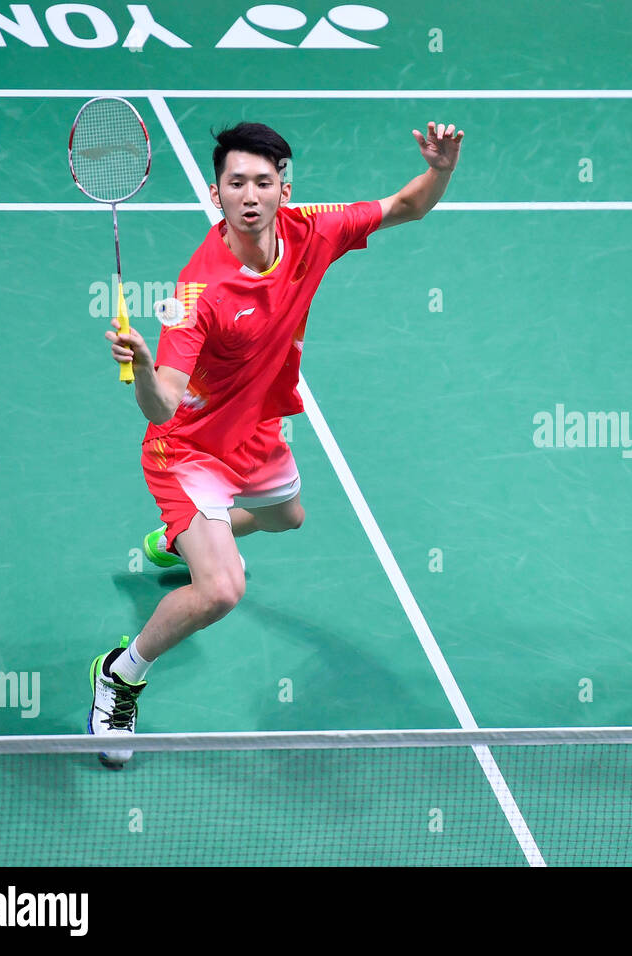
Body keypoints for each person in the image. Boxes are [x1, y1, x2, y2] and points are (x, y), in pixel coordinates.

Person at [90, 120, 464, 769]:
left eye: (264, 181)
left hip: (256, 431)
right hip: (188, 450)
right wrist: (145, 368)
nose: (252, 195)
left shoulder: (312, 230)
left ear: (283, 191)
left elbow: (408, 206)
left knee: (286, 517)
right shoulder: (195, 293)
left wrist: (441, 169)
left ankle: (178, 537)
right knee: (222, 589)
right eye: (238, 183)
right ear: (217, 194)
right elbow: (162, 406)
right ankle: (121, 674)